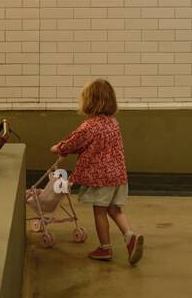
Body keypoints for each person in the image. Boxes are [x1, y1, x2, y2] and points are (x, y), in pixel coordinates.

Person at [50, 79, 143, 265]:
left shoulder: (90, 126)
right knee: (115, 209)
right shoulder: (113, 123)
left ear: (89, 101)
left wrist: (59, 148)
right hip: (118, 176)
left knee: (99, 211)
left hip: (101, 178)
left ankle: (105, 248)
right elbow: (93, 146)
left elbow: (75, 142)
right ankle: (130, 236)